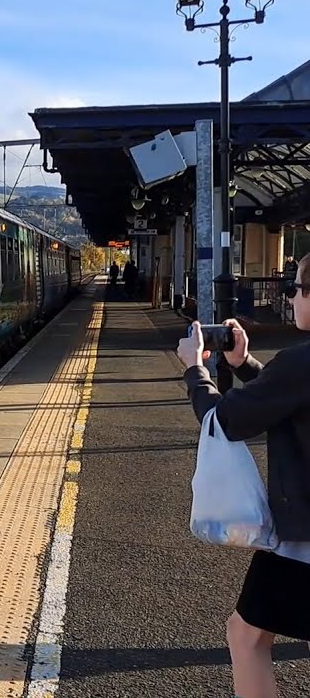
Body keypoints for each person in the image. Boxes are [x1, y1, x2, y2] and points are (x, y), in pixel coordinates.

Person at [176, 253, 310, 698]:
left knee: (247, 636)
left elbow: (225, 420)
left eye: (294, 288)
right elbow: (290, 404)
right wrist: (244, 365)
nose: (289, 297)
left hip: (304, 541)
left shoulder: (300, 363)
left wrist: (195, 369)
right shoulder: (295, 369)